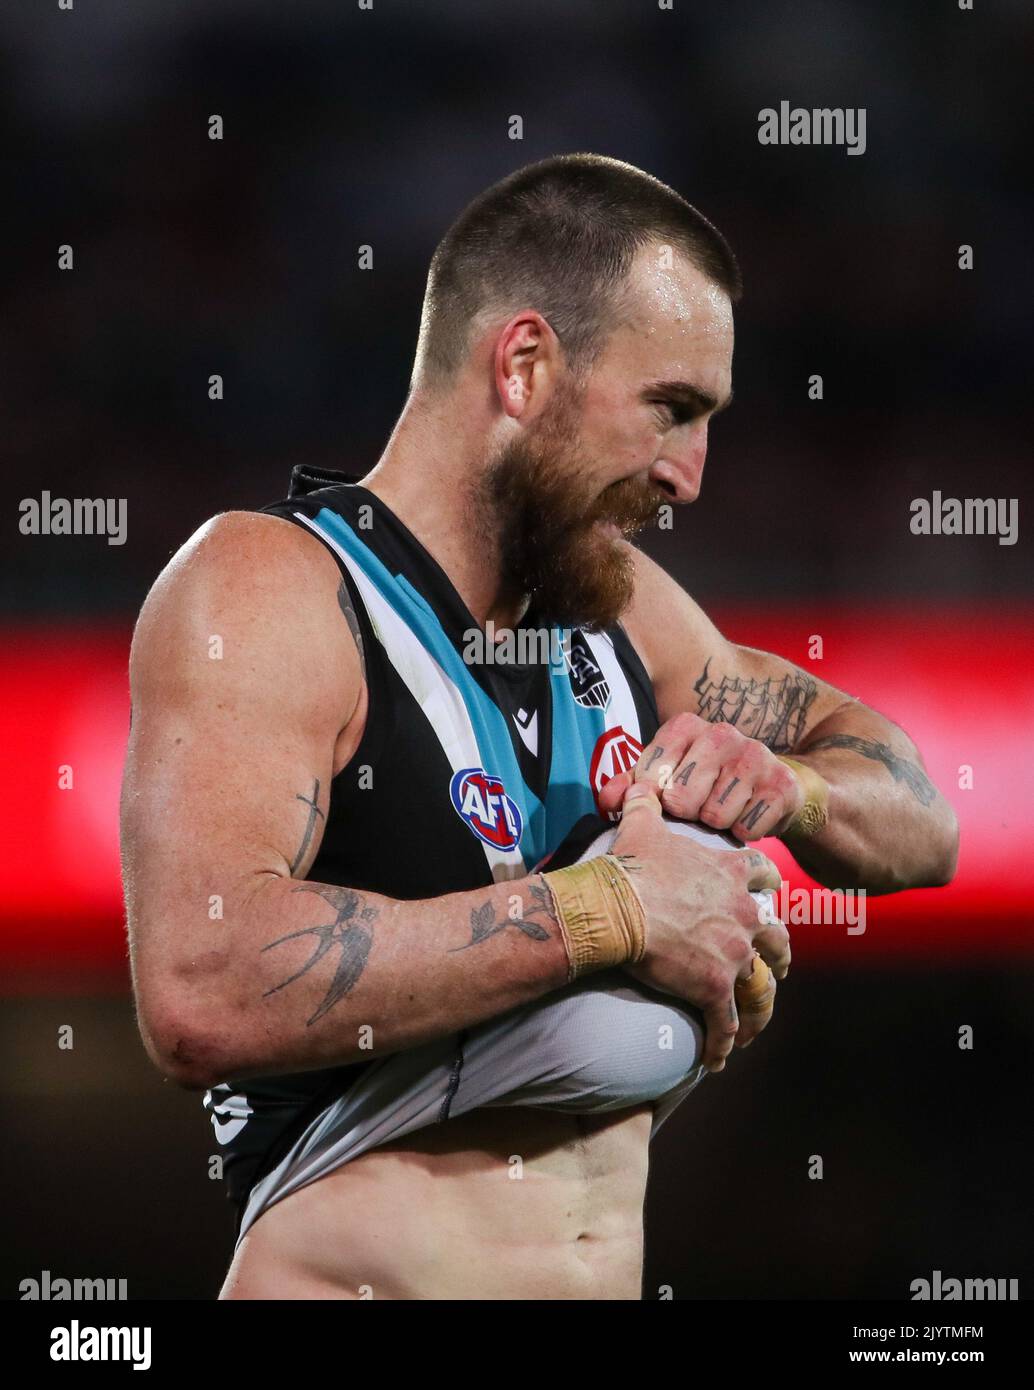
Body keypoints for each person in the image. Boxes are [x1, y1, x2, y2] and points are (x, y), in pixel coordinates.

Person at [121, 153, 958, 1300]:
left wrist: (784, 791)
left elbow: (924, 821)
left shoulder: (618, 611)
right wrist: (613, 905)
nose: (692, 474)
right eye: (671, 409)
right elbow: (198, 988)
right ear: (522, 365)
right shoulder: (270, 588)